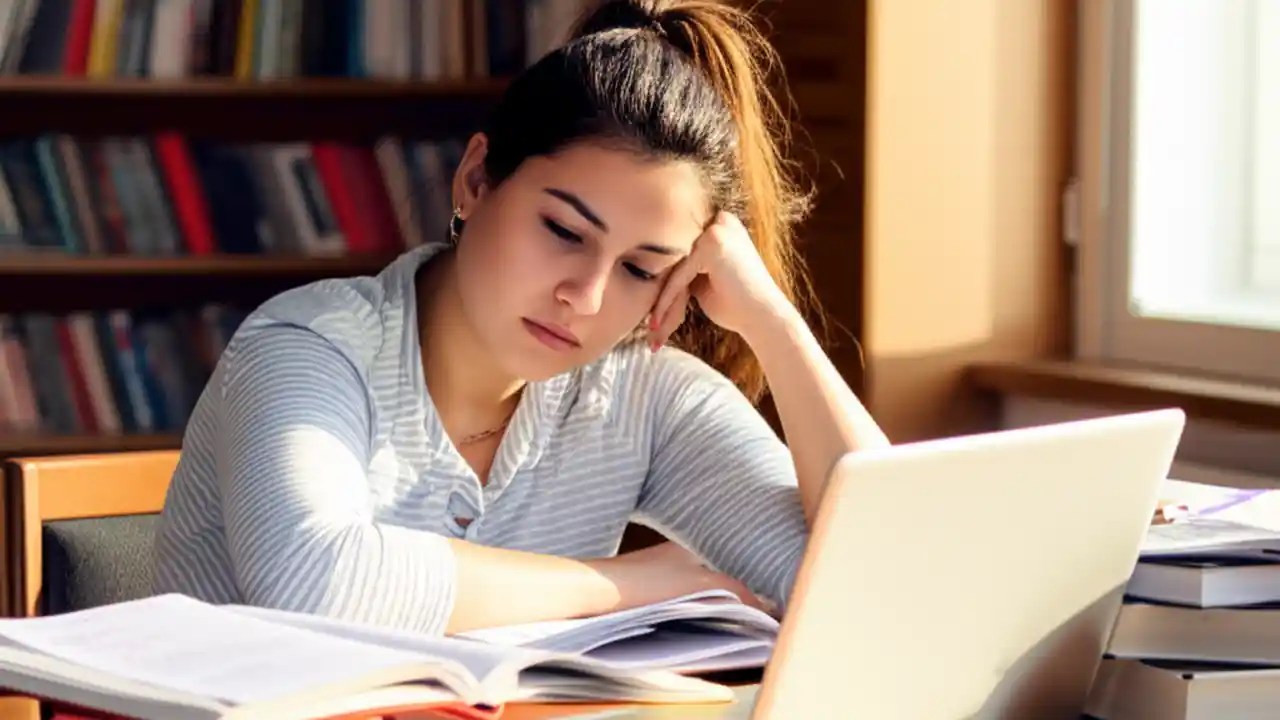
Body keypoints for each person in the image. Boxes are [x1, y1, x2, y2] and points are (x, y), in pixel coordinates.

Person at [154, 0, 889, 636]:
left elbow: (871, 579)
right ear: (476, 179)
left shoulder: (641, 396)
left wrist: (771, 321)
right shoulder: (308, 348)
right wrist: (631, 585)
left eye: (640, 268)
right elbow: (315, 581)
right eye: (564, 232)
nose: (588, 296)